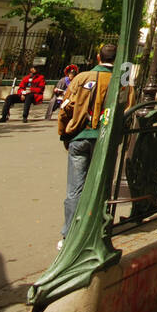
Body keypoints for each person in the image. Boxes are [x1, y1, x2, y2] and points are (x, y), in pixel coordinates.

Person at [57, 42, 129, 248]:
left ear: (98, 57)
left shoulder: (81, 77)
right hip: (106, 141)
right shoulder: (122, 81)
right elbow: (127, 111)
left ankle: (70, 235)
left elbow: (65, 108)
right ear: (117, 59)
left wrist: (65, 135)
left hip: (80, 137)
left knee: (75, 189)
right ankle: (97, 230)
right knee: (102, 187)